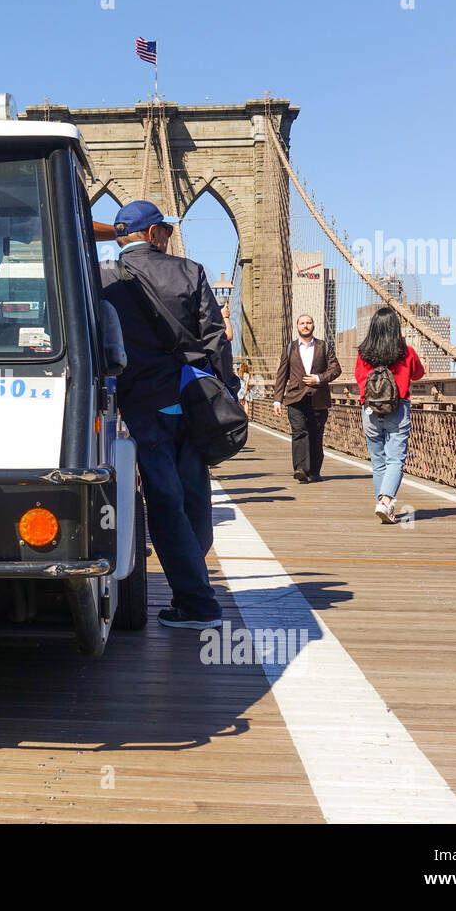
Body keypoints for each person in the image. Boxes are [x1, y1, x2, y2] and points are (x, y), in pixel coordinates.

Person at [101, 200, 238, 630]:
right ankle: (192, 588)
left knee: (163, 500)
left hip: (142, 400)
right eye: (166, 230)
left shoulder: (104, 278)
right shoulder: (191, 271)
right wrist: (228, 390)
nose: (170, 237)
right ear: (155, 232)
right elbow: (215, 338)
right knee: (195, 494)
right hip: (192, 396)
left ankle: (197, 600)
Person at [354, 306, 425, 523]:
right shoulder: (406, 352)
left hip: (371, 410)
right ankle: (385, 501)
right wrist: (403, 346)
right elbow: (419, 374)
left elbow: (359, 379)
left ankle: (383, 505)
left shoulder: (363, 353)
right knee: (395, 460)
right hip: (398, 410)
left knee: (378, 462)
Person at [272, 314, 342, 482]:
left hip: (318, 398)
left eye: (308, 323)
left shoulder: (324, 347)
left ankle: (314, 471)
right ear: (297, 327)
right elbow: (282, 375)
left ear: (313, 326)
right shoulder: (289, 349)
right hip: (295, 398)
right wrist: (277, 400)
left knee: (316, 435)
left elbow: (336, 369)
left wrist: (318, 378)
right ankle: (300, 468)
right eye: (302, 323)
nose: (305, 326)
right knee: (299, 432)